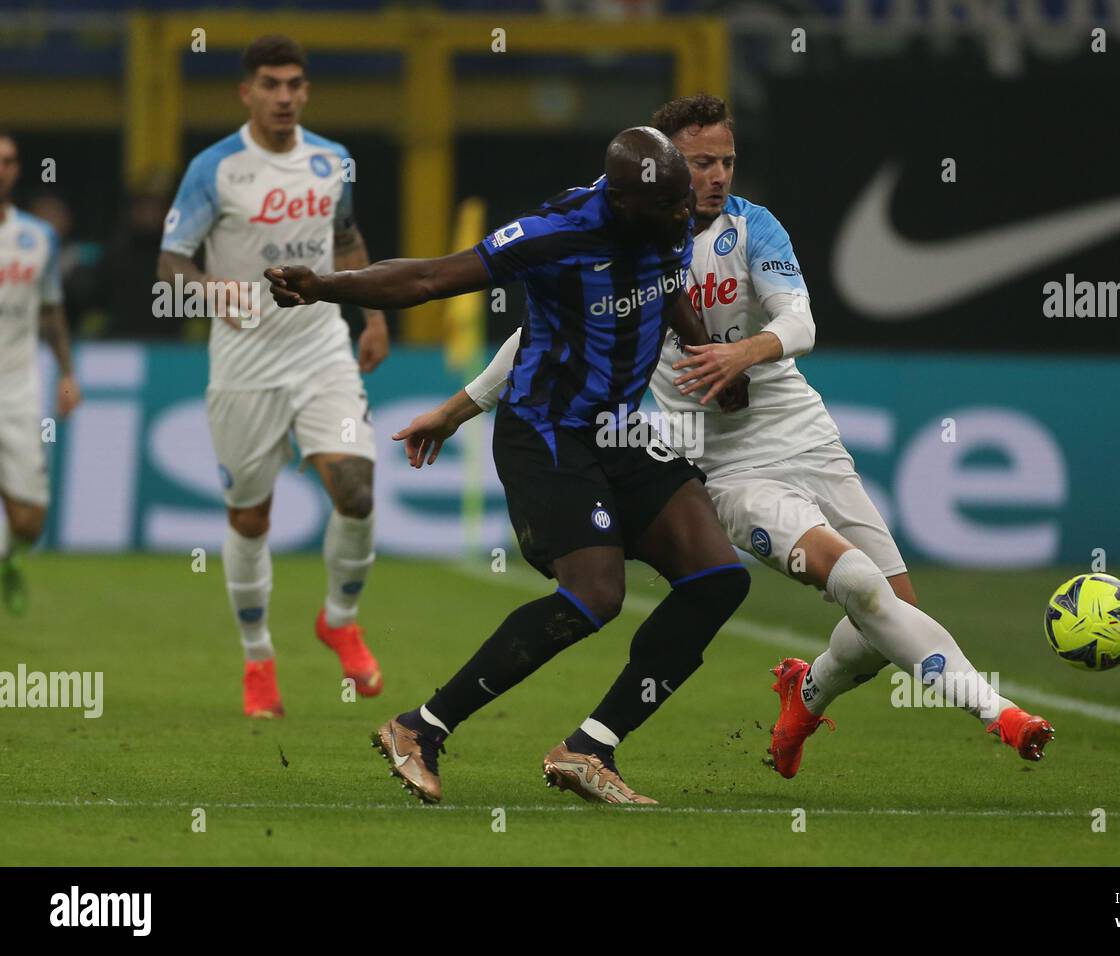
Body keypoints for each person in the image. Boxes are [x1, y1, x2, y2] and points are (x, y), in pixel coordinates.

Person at [452, 94, 1055, 777]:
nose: (717, 176)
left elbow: (801, 324)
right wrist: (461, 408)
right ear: (666, 163)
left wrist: (748, 351)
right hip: (722, 465)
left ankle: (809, 692)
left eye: (728, 162)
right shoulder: (630, 232)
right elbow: (537, 337)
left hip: (803, 434)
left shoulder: (753, 229)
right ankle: (1000, 714)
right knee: (856, 583)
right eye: (702, 162)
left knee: (887, 614)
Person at [267, 127, 751, 805]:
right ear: (622, 200)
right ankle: (420, 727)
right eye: (670, 207)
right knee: (596, 596)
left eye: (684, 204)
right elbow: (431, 276)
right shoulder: (555, 232)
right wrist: (325, 286)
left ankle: (590, 747)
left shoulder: (668, 219)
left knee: (718, 579)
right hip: (547, 435)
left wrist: (708, 359)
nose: (684, 217)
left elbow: (669, 290)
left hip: (619, 431)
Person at [157, 35, 390, 717]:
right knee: (250, 515)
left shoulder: (330, 161)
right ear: (247, 93)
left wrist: (373, 318)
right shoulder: (215, 168)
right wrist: (208, 289)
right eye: (270, 84)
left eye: (294, 84)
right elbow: (171, 261)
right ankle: (258, 659)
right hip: (244, 363)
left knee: (355, 487)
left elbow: (346, 242)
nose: (284, 96)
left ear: (306, 91)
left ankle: (340, 620)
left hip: (321, 347)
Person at [0, 131, 81, 616]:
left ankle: (7, 556)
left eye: (8, 160)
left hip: (17, 391)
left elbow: (51, 312)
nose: (1, 168)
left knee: (30, 519)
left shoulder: (37, 238)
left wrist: (68, 374)